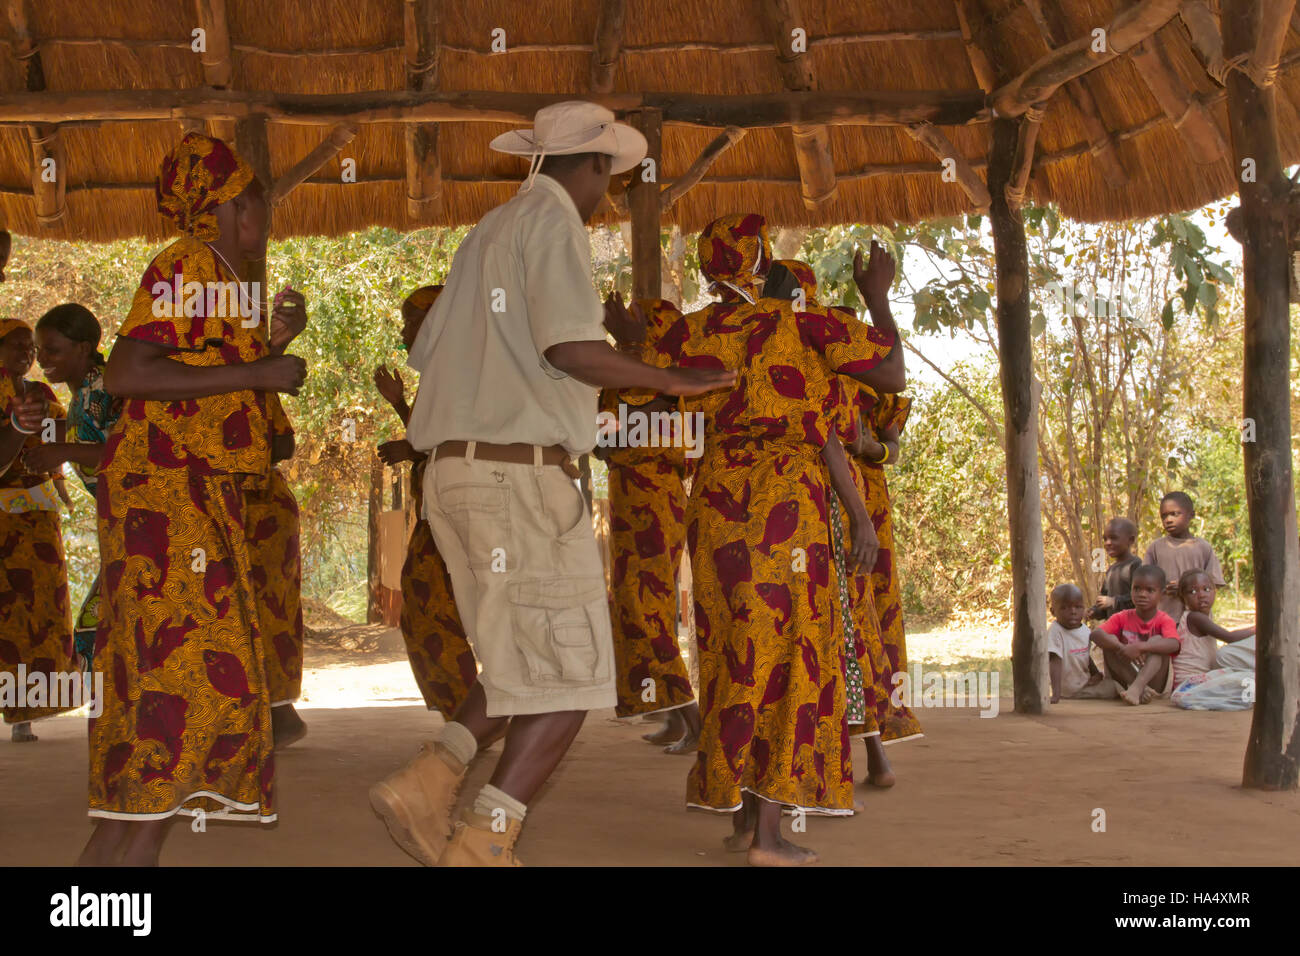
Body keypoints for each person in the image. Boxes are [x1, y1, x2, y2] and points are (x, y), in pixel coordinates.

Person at [375, 101, 735, 867]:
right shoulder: (554, 226)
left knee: (521, 670)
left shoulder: (486, 234)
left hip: (457, 476)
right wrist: (672, 379)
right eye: (610, 173)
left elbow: (430, 352)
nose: (609, 189)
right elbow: (571, 349)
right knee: (574, 681)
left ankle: (432, 777)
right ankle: (485, 841)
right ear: (598, 166)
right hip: (516, 480)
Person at [79, 133, 308, 865]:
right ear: (233, 205)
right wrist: (266, 374)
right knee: (187, 684)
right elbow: (126, 375)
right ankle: (123, 882)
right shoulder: (186, 261)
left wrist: (267, 349)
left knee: (173, 681)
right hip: (166, 495)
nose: (262, 212)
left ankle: (100, 878)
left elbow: (201, 368)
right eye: (255, 197)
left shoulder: (216, 279)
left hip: (191, 496)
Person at [668, 216, 904, 865]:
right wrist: (858, 515)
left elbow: (660, 415)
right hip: (785, 508)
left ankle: (746, 820)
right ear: (764, 261)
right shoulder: (797, 330)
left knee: (732, 652)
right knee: (790, 656)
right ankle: (769, 838)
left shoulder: (698, 334)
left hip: (716, 510)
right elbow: (860, 401)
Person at [764, 257, 917, 787]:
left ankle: (870, 752)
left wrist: (870, 448)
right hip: (803, 502)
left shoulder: (840, 355)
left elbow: (888, 437)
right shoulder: (777, 356)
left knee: (856, 618)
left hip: (857, 503)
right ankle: (844, 759)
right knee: (831, 624)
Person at [596, 298, 700, 754]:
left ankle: (693, 720)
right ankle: (674, 717)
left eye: (638, 319)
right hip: (628, 494)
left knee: (645, 609)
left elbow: (640, 428)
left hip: (655, 498)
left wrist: (632, 347)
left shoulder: (660, 375)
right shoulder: (631, 371)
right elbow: (604, 439)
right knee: (635, 606)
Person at [373, 285, 481, 723]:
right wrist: (400, 404)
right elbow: (428, 434)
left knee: (428, 604)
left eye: (410, 321)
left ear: (433, 321)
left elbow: (468, 436)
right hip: (437, 509)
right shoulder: (443, 369)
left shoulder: (466, 368)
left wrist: (411, 451)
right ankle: (462, 709)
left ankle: (466, 712)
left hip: (459, 508)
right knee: (425, 604)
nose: (404, 331)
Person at [27, 304, 124, 675]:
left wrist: (62, 450)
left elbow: (130, 453)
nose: (42, 360)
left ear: (83, 348)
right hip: (117, 524)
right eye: (38, 351)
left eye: (52, 350)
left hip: (138, 520)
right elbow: (69, 433)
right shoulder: (80, 393)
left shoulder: (104, 389)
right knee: (98, 629)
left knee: (94, 631)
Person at [0, 316, 76, 742]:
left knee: (44, 608)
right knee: (9, 613)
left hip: (39, 513)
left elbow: (52, 442)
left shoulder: (42, 394)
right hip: (4, 515)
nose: (26, 355)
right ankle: (16, 709)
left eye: (30, 349)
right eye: (16, 347)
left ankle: (28, 708)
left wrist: (62, 485)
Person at [245, 391, 308, 749]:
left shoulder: (254, 381)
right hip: (221, 503)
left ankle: (279, 711)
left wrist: (233, 454)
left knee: (271, 608)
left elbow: (284, 443)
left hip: (264, 507)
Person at [1088, 564, 1180, 706]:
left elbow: (1174, 644)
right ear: (1130, 590)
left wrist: (1142, 647)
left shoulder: (1164, 619)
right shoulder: (1122, 617)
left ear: (1161, 595)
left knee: (1157, 641)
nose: (1142, 594)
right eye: (1137, 589)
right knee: (1110, 641)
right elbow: (1096, 635)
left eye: (1150, 590)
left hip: (1155, 685)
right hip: (1127, 680)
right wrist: (1122, 647)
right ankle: (1137, 688)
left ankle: (1138, 687)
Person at [1144, 492, 1226, 620]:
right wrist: (1162, 586)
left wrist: (1186, 586)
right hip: (1165, 619)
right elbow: (1145, 580)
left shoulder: (1203, 547)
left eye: (1175, 514)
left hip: (1198, 619)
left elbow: (1215, 582)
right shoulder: (1155, 548)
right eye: (1164, 516)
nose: (1168, 520)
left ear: (1191, 515)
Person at [1172, 569, 1255, 687]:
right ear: (1183, 598)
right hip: (1190, 682)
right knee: (1246, 680)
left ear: (1214, 592)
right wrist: (1258, 628)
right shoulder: (1194, 617)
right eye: (1193, 591)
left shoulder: (1206, 614)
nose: (1201, 595)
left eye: (1206, 589)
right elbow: (1230, 637)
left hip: (1201, 679)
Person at [1047, 583, 1116, 702]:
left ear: (1084, 609)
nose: (1073, 611)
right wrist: (1056, 695)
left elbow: (1085, 655)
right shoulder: (1055, 631)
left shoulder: (1085, 630)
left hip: (1085, 685)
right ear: (1053, 611)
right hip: (1069, 691)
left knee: (1113, 686)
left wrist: (1096, 674)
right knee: (1114, 689)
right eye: (1065, 608)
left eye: (1078, 607)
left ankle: (1140, 691)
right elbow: (1054, 661)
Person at [1088, 517, 1140, 621]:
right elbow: (1104, 600)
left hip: (1132, 628)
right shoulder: (1111, 570)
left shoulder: (1136, 566)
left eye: (1114, 538)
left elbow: (1140, 597)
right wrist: (1095, 611)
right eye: (1105, 539)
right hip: (1113, 629)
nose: (1108, 543)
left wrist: (1114, 601)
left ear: (1131, 540)